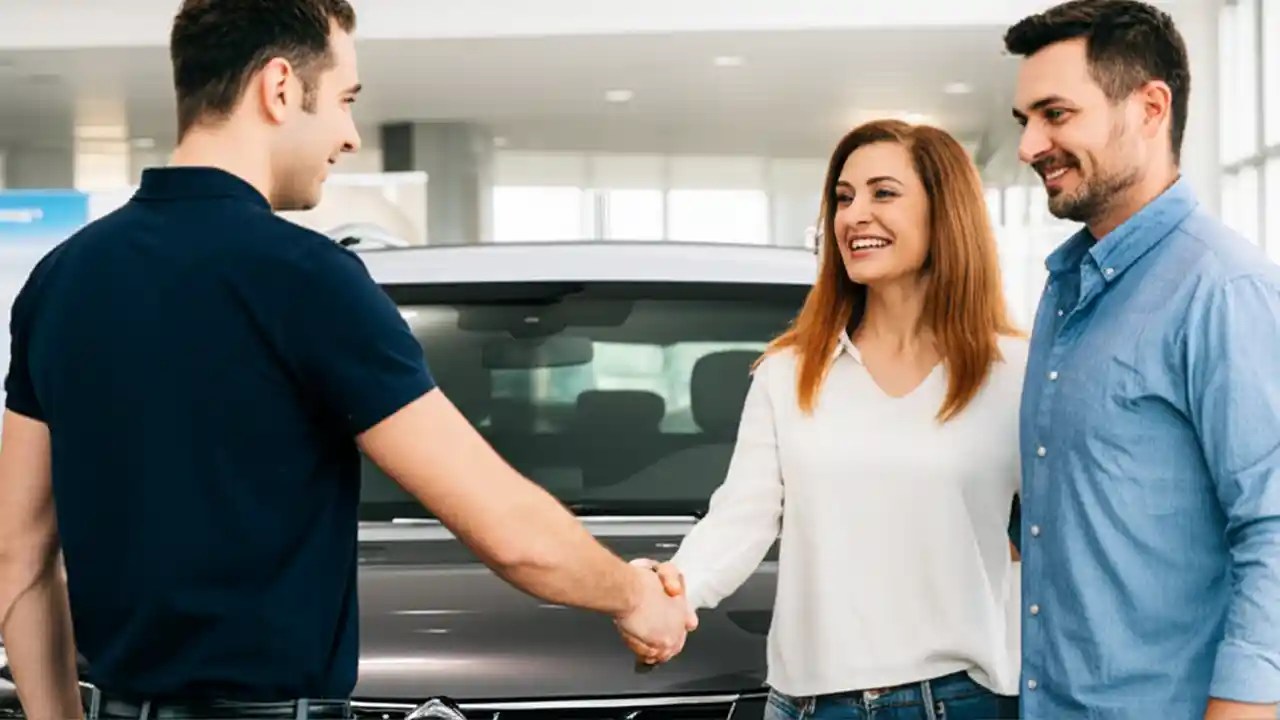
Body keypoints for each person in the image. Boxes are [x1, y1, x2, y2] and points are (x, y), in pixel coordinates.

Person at [0, 1, 691, 718]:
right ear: (278, 88)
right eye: (343, 101)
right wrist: (635, 595)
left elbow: (17, 560)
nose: (350, 137)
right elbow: (509, 531)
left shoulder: (60, 281)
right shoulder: (306, 277)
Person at [622, 119, 1027, 720]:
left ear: (946, 213)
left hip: (956, 700)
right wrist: (670, 590)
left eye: (883, 193)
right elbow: (741, 517)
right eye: (843, 198)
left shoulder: (1015, 372)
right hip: (807, 704)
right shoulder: (789, 372)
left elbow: (1062, 539)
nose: (854, 214)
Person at [1003, 1, 1280, 718]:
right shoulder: (1065, 288)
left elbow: (1274, 529)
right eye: (1024, 121)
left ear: (1150, 107)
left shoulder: (1224, 289)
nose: (1030, 145)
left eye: (1055, 114)